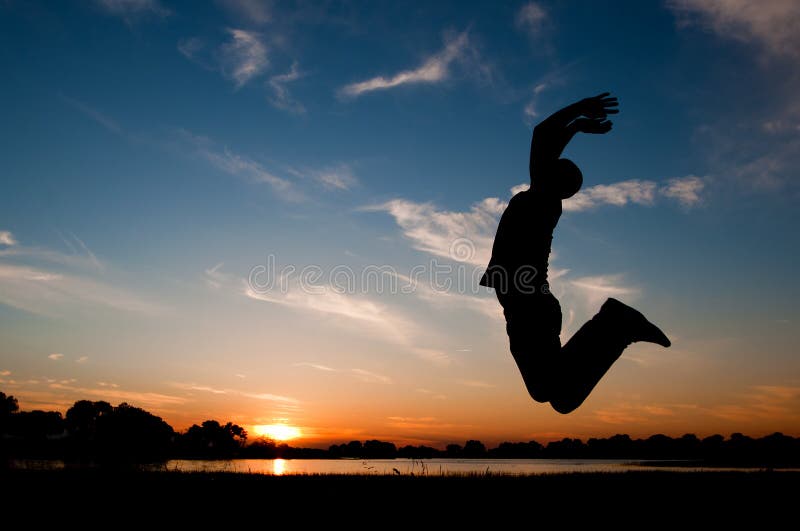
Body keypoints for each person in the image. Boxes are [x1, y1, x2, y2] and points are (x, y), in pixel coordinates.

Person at [479, 92, 671, 414]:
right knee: (558, 395)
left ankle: (615, 324)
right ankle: (615, 326)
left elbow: (542, 135)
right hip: (528, 305)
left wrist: (580, 112)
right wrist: (576, 127)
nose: (545, 162)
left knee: (553, 393)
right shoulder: (544, 203)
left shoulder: (540, 201)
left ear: (554, 179)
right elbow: (548, 146)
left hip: (529, 304)